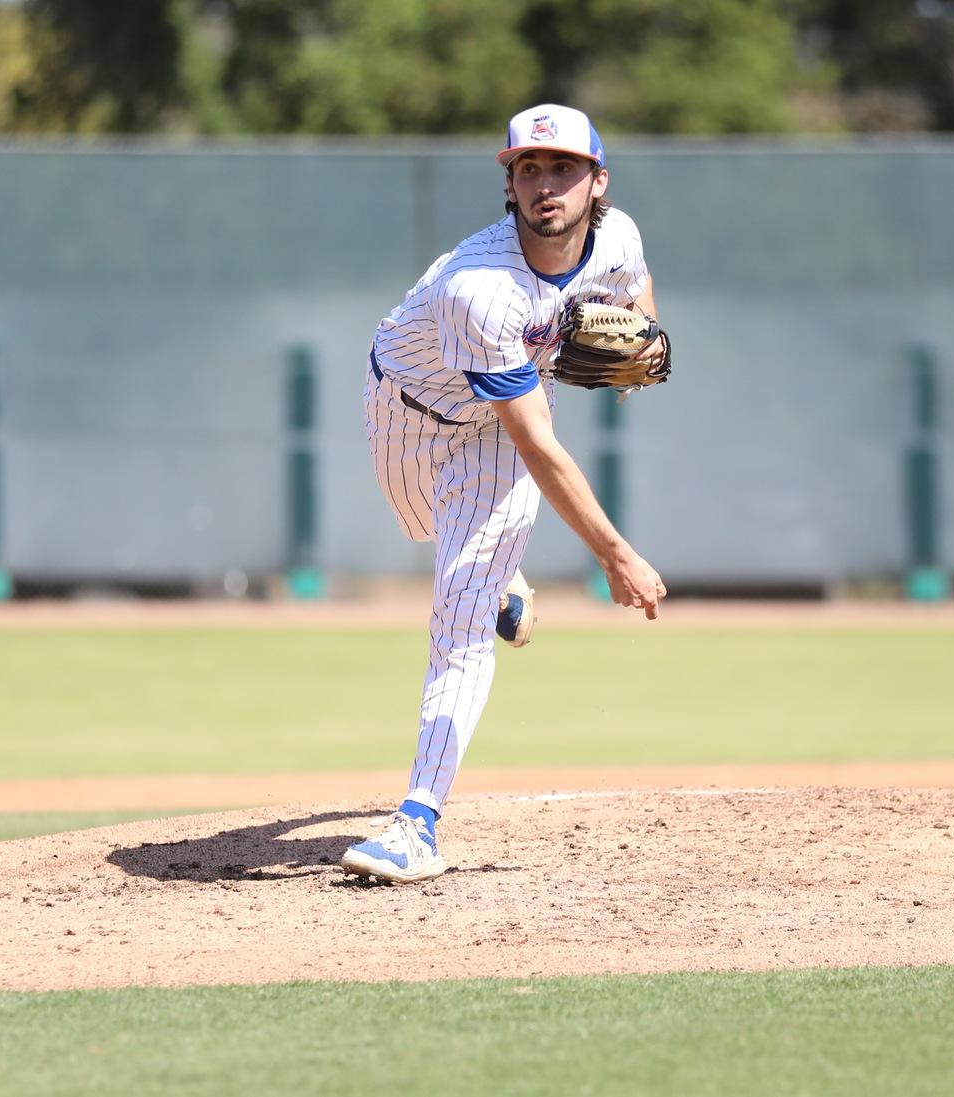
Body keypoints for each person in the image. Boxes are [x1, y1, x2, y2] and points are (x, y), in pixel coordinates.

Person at [341, 104, 670, 883]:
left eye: (563, 168)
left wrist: (643, 336)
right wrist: (614, 555)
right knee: (422, 529)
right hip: (406, 409)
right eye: (529, 168)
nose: (545, 184)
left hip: (500, 429)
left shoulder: (615, 236)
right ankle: (500, 576)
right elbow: (540, 445)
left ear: (598, 183)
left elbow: (635, 290)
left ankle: (415, 821)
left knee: (456, 618)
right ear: (510, 182)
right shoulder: (479, 286)